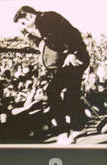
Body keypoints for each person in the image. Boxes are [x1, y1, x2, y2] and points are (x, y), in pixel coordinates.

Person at [14, 6, 89, 139]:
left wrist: (72, 52)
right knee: (66, 93)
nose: (24, 26)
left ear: (30, 16)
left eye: (23, 23)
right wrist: (27, 34)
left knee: (56, 92)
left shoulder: (49, 18)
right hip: (69, 61)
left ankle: (66, 130)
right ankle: (76, 127)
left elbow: (73, 33)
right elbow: (47, 44)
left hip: (75, 58)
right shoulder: (41, 25)